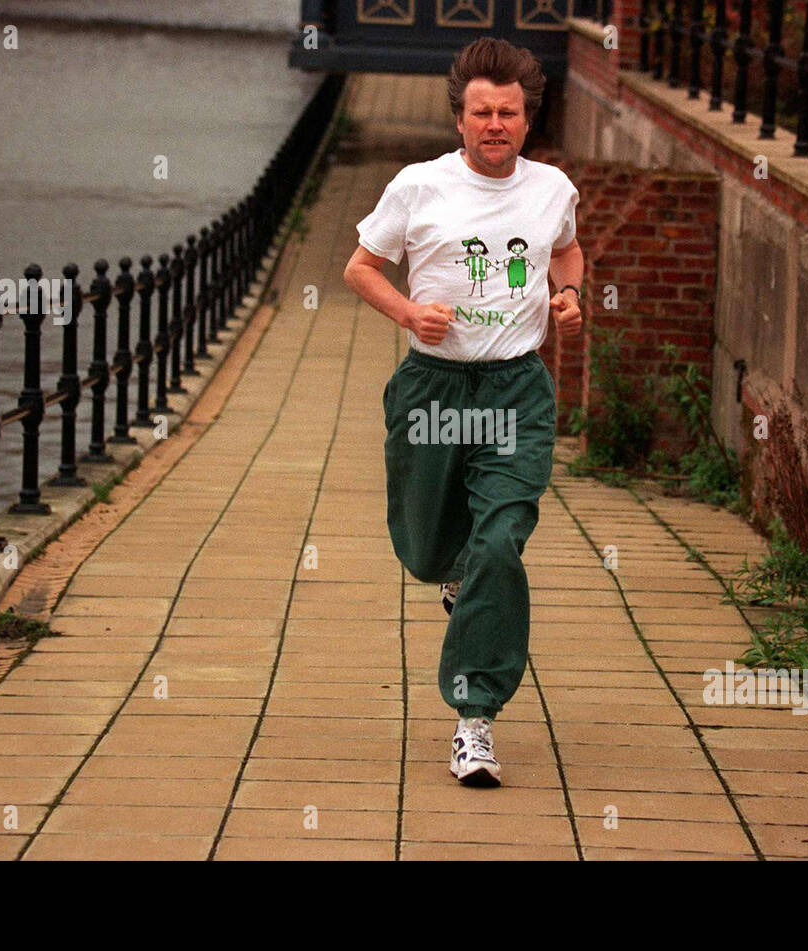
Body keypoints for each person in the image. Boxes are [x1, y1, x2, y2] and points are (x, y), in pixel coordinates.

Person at [343, 37, 583, 787]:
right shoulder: (418, 186)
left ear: (525, 117)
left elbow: (568, 254)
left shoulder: (552, 189)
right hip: (434, 391)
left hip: (516, 392)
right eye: (482, 112)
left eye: (508, 112)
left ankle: (474, 718)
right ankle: (451, 572)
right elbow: (359, 268)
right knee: (423, 549)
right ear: (460, 118)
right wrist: (411, 314)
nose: (495, 124)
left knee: (502, 540)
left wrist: (568, 296)